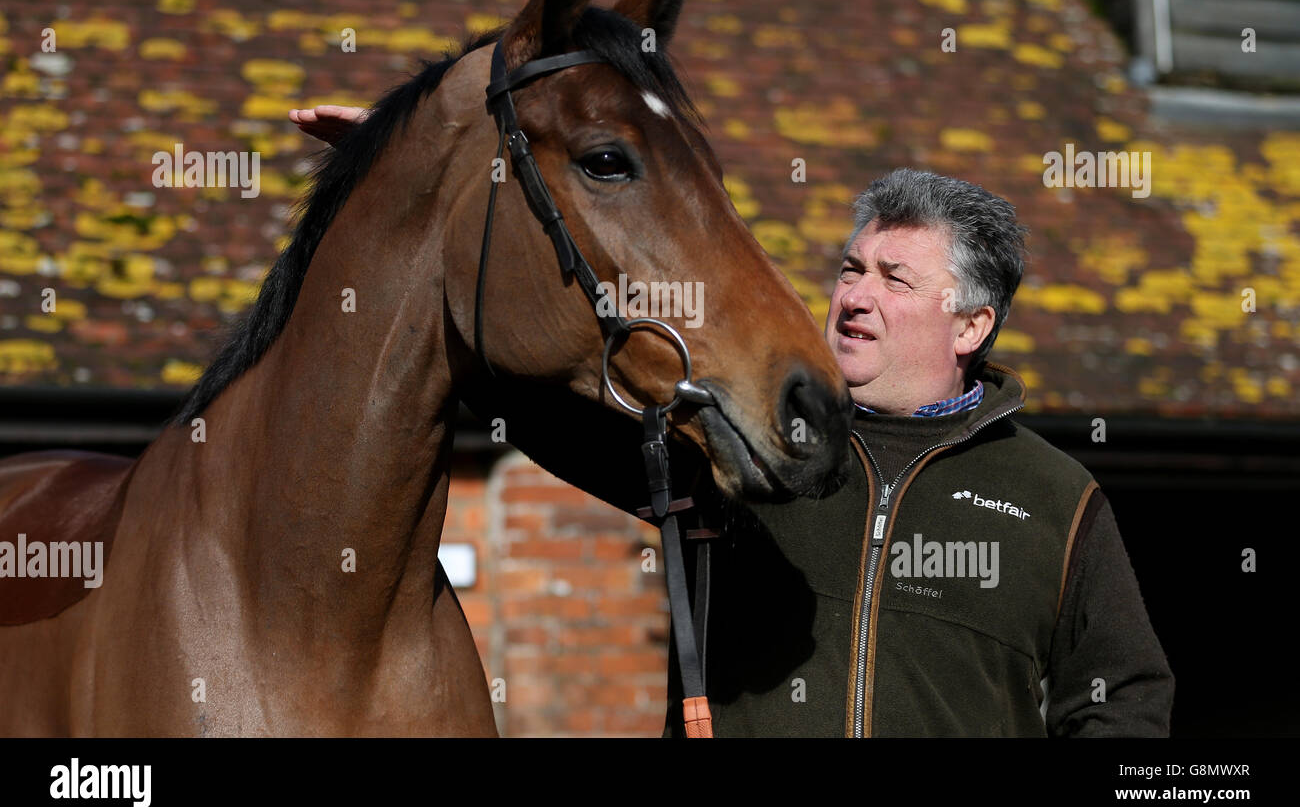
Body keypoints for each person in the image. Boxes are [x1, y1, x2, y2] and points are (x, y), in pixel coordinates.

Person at [292, 108, 1173, 736]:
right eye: (850, 267)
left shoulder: (1057, 500)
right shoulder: (745, 441)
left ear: (971, 325)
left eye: (894, 279)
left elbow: (1125, 698)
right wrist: (428, 186)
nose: (854, 295)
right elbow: (526, 390)